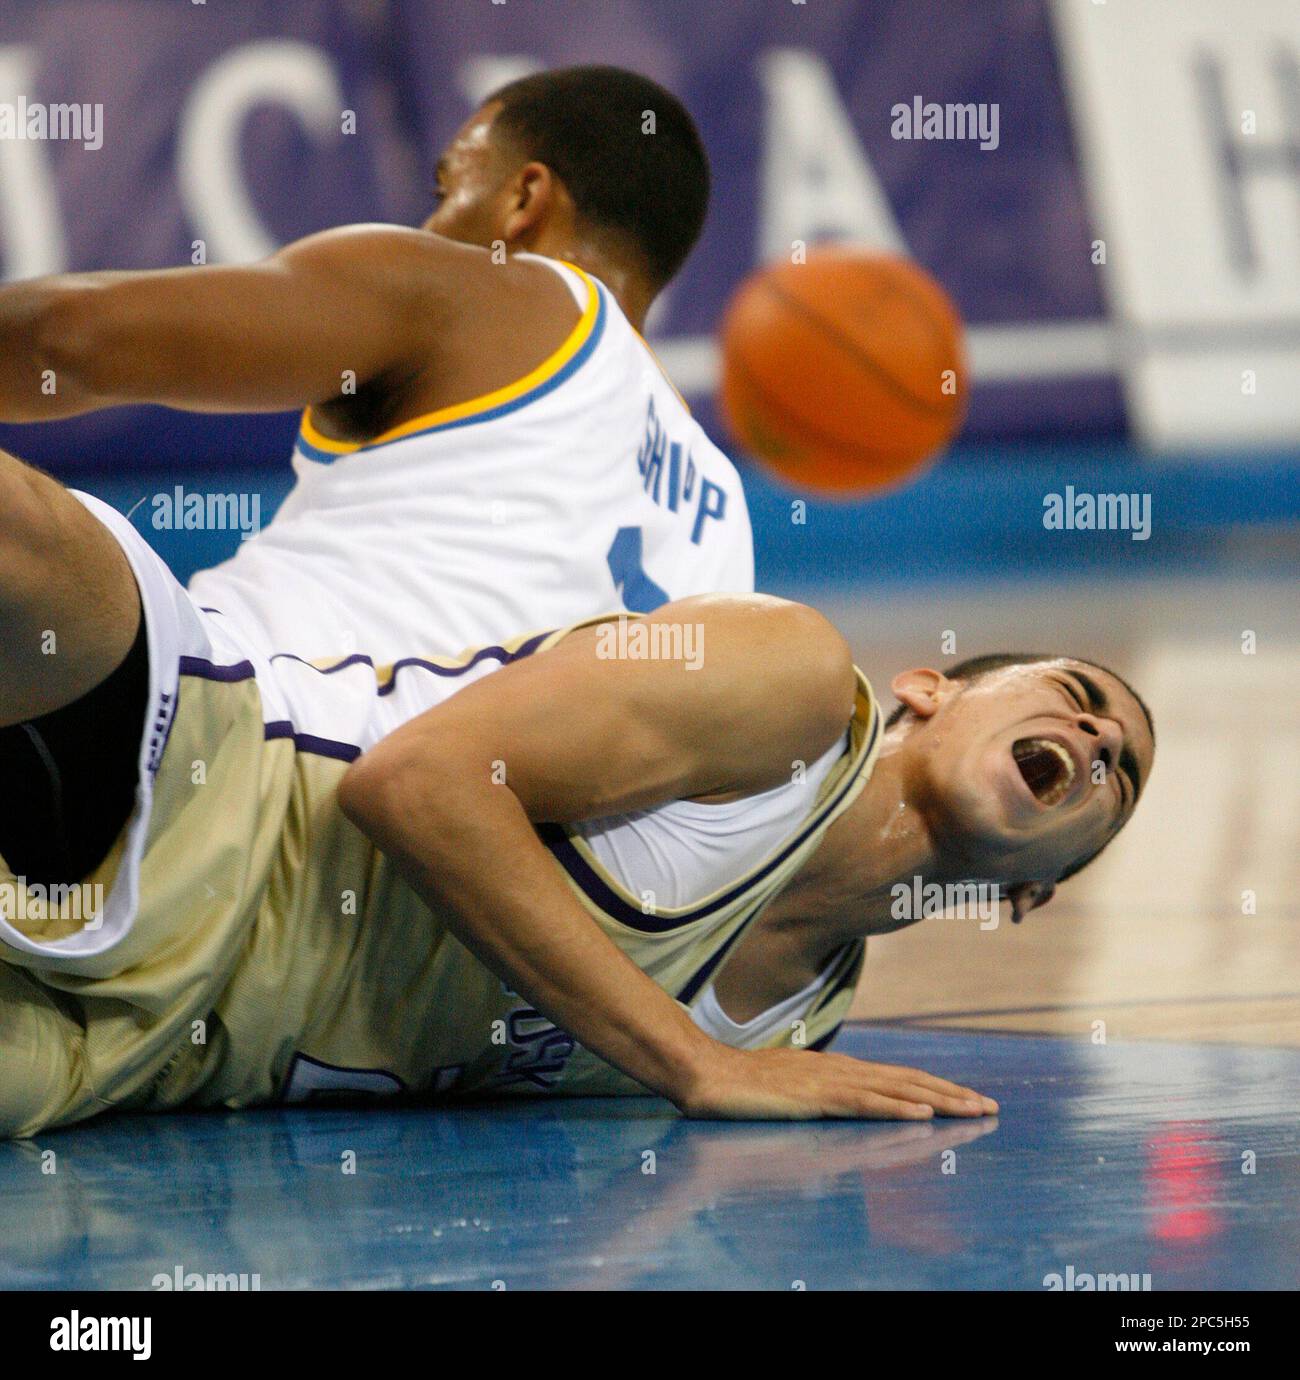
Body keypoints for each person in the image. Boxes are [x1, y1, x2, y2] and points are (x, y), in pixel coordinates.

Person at [0, 450, 1154, 1137]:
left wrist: (727, 1060)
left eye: (1122, 773)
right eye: (1075, 693)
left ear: (1035, 893)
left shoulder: (800, 1032)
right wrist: (697, 1066)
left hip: (164, 1053)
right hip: (218, 791)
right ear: (927, 690)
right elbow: (418, 785)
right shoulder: (791, 687)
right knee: (28, 540)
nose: (1095, 738)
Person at [0, 67, 751, 662]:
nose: (428, 224)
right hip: (454, 831)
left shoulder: (483, 293)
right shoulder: (723, 516)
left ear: (524, 197)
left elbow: (67, 342)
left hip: (238, 733)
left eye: (447, 187)